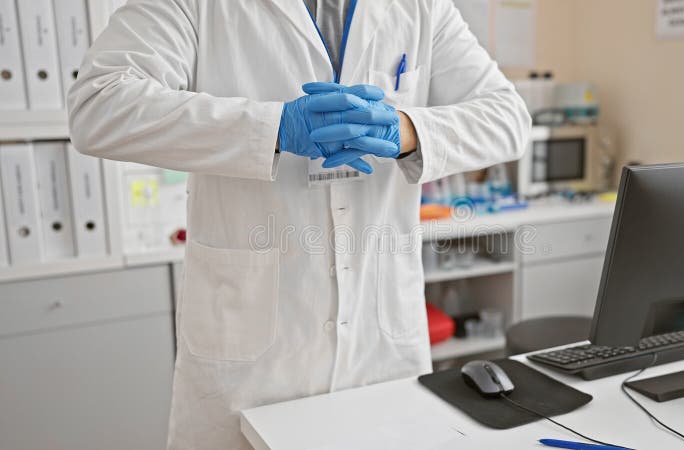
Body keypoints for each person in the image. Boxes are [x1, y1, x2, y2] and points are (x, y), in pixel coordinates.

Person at [67, 1, 529, 449]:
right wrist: (271, 126)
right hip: (253, 361)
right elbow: (99, 104)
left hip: (379, 343)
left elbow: (508, 118)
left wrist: (405, 129)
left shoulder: (421, 7)